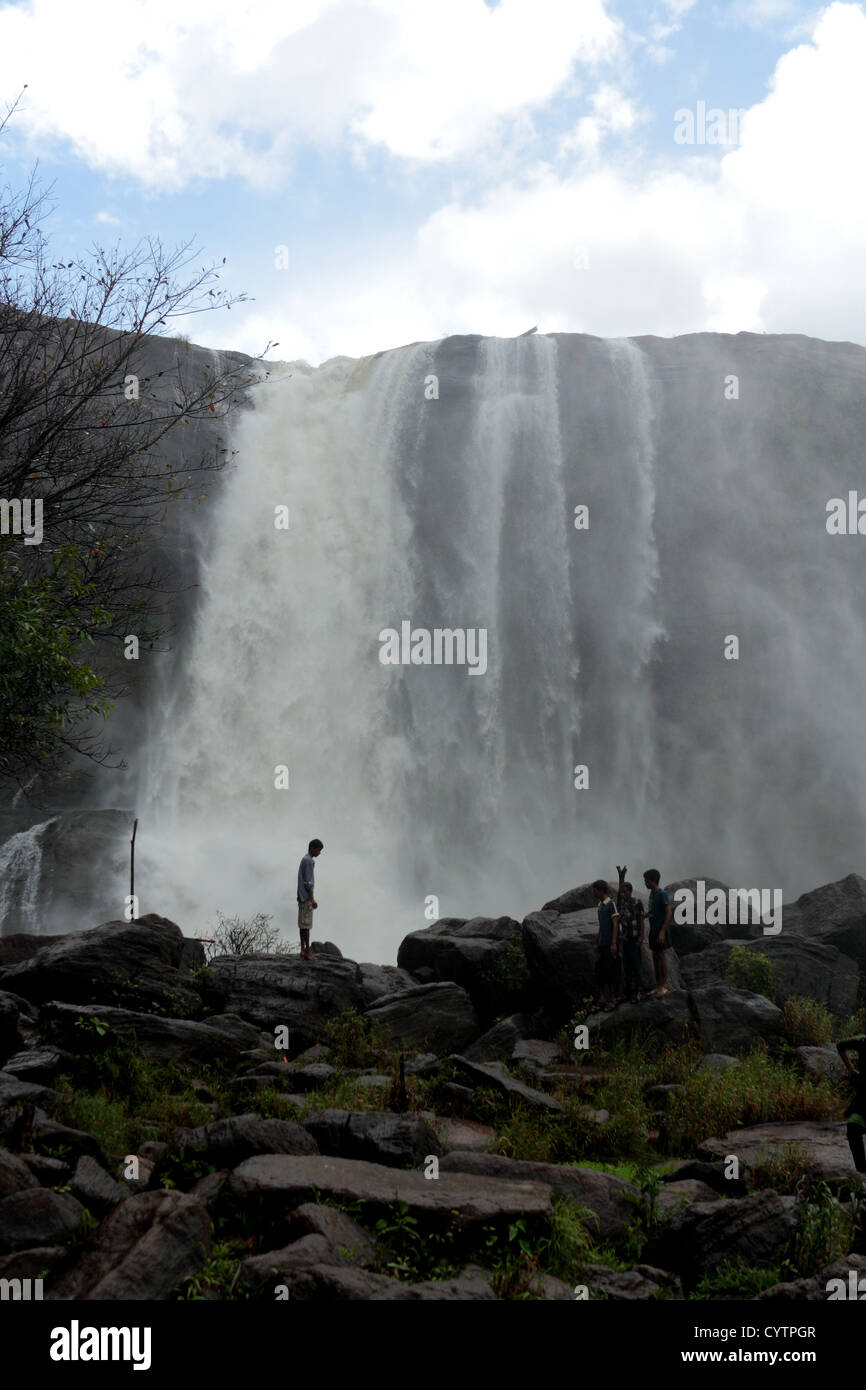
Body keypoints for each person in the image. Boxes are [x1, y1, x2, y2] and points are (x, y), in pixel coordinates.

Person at [836, 1034, 866, 1172]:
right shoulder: (862, 1041)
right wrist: (852, 1070)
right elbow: (840, 1045)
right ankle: (862, 1171)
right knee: (853, 1127)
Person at [616, 864, 644, 1002]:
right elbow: (618, 895)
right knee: (626, 966)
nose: (622, 894)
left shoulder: (636, 902)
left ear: (630, 892)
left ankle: (638, 991)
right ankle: (628, 992)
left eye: (625, 892)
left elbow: (640, 920)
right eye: (622, 892)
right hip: (625, 939)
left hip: (634, 938)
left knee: (636, 965)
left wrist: (641, 937)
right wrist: (621, 876)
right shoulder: (622, 903)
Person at [643, 868, 672, 997]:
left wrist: (662, 931)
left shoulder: (661, 894)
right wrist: (646, 915)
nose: (645, 883)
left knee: (661, 957)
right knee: (655, 957)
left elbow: (668, 912)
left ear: (653, 881)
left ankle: (663, 986)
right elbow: (653, 910)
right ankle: (658, 985)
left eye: (646, 881)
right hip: (653, 929)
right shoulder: (652, 894)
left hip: (660, 930)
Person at [593, 879, 619, 1012]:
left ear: (601, 890)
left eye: (596, 890)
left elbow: (615, 924)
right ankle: (602, 997)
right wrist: (596, 941)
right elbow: (601, 925)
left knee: (610, 971)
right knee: (600, 970)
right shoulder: (600, 905)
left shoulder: (611, 904)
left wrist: (614, 942)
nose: (594, 893)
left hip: (609, 943)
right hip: (602, 942)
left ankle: (612, 999)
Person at [297, 838, 324, 961]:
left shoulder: (305, 859)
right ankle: (308, 951)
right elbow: (309, 882)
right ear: (313, 848)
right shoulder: (308, 861)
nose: (319, 853)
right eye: (318, 850)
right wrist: (312, 899)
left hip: (301, 896)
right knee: (306, 925)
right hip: (306, 897)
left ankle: (302, 949)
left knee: (302, 925)